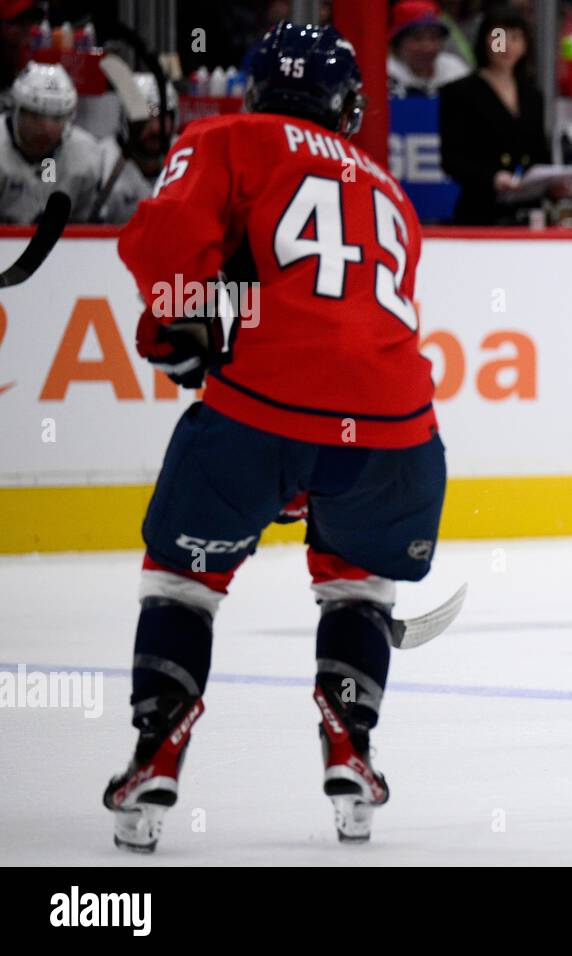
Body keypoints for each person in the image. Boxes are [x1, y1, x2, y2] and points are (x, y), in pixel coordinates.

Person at [103, 22, 445, 852]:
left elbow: (170, 237)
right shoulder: (387, 189)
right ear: (346, 104)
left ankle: (155, 757)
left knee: (184, 580)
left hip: (261, 410)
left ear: (256, 89)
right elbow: (346, 329)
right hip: (400, 430)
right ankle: (352, 755)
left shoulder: (225, 135)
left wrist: (173, 324)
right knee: (358, 586)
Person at [438, 6, 550, 224]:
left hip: (528, 210)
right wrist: (492, 178)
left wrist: (551, 179)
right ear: (485, 40)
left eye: (516, 37)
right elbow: (451, 160)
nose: (507, 45)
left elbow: (540, 152)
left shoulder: (532, 95)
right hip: (480, 209)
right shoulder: (460, 92)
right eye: (499, 36)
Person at [0, 62, 103, 223]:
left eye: (57, 118)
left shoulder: (85, 155)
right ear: (16, 111)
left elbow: (84, 229)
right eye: (36, 116)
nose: (46, 129)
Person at [92, 73, 177, 224]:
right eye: (145, 118)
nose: (156, 128)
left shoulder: (187, 158)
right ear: (126, 119)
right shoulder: (99, 162)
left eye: (162, 117)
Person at [387, 0, 471, 98]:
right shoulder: (384, 72)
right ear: (398, 42)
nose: (428, 48)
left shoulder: (455, 70)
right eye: (417, 38)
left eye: (434, 38)